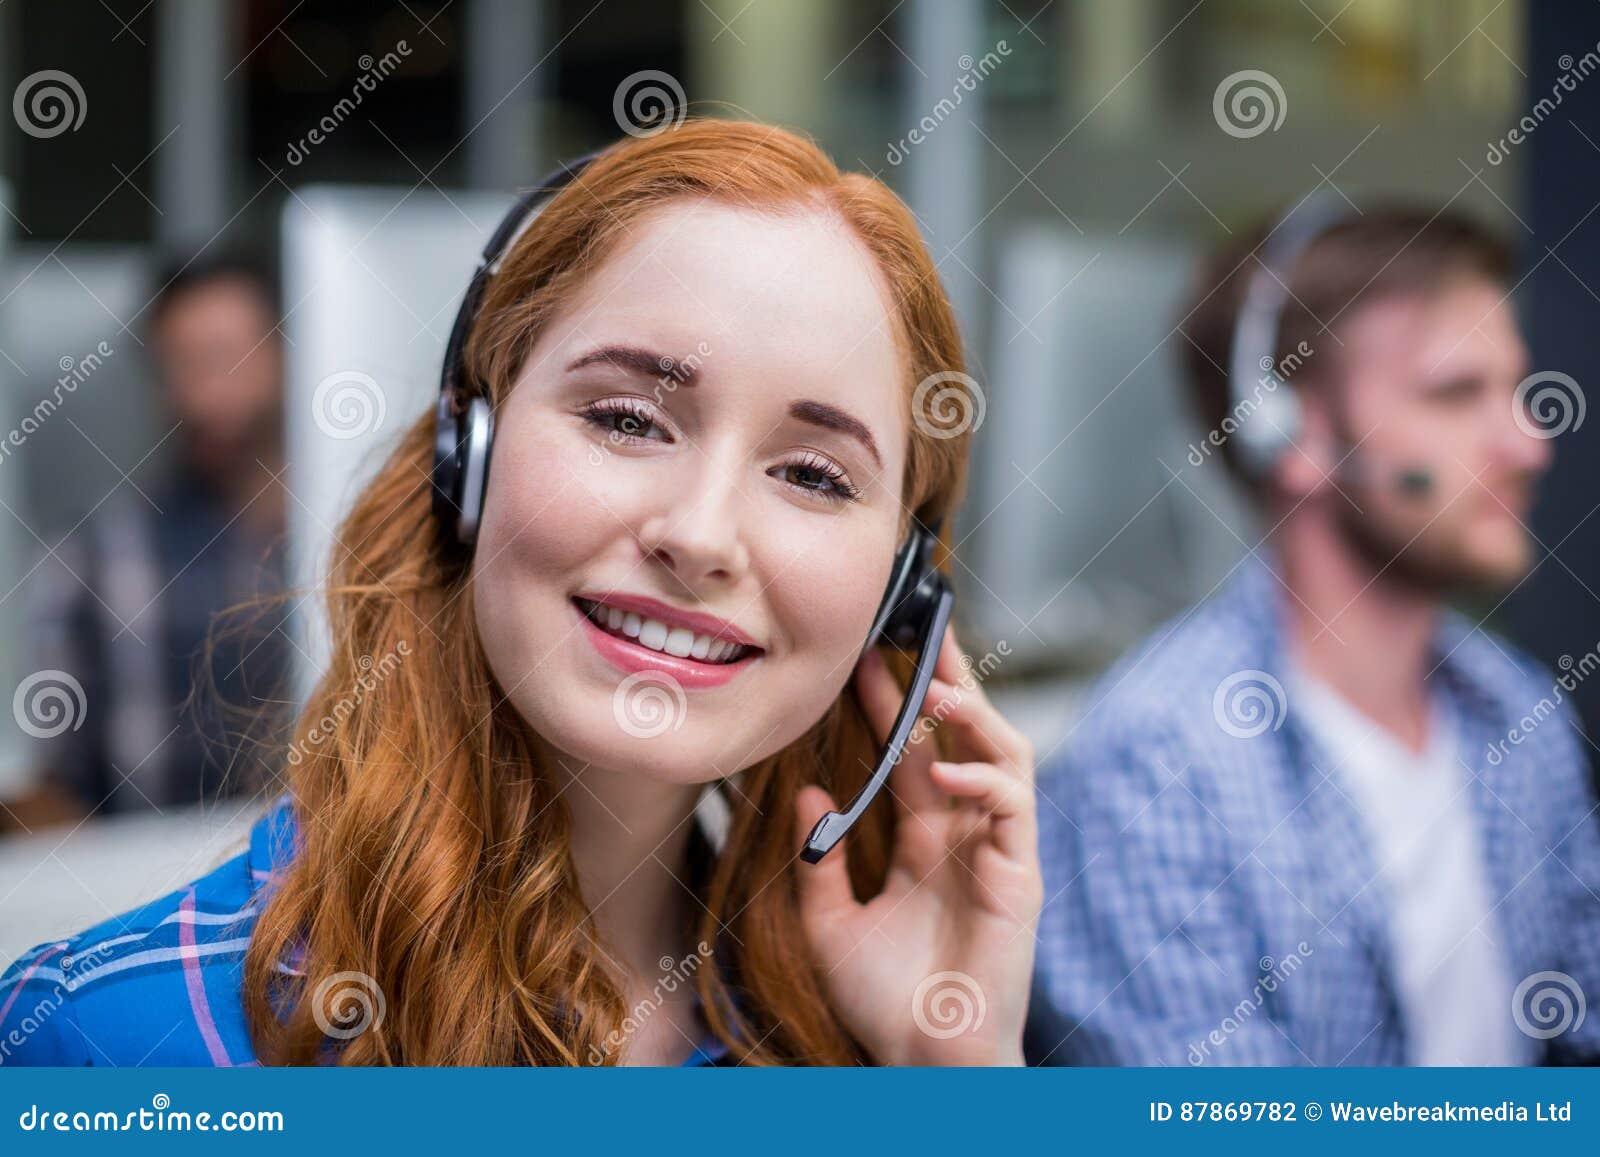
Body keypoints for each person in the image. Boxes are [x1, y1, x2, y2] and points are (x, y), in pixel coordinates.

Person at [0, 120, 1040, 1067]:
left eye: (813, 474)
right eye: (629, 418)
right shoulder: (107, 1040)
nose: (699, 533)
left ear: (901, 588)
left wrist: (950, 1067)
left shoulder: (841, 1033)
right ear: (471, 457)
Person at [1028, 199, 1600, 1066]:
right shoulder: (1157, 760)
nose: (1528, 441)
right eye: (1456, 394)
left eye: (1516, 389)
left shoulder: (1519, 713)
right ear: (1289, 430)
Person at [6, 253, 292, 826]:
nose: (203, 394)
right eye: (177, 366)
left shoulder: (359, 534)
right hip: (151, 894)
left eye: (224, 358)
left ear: (288, 354)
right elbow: (41, 788)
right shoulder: (94, 553)